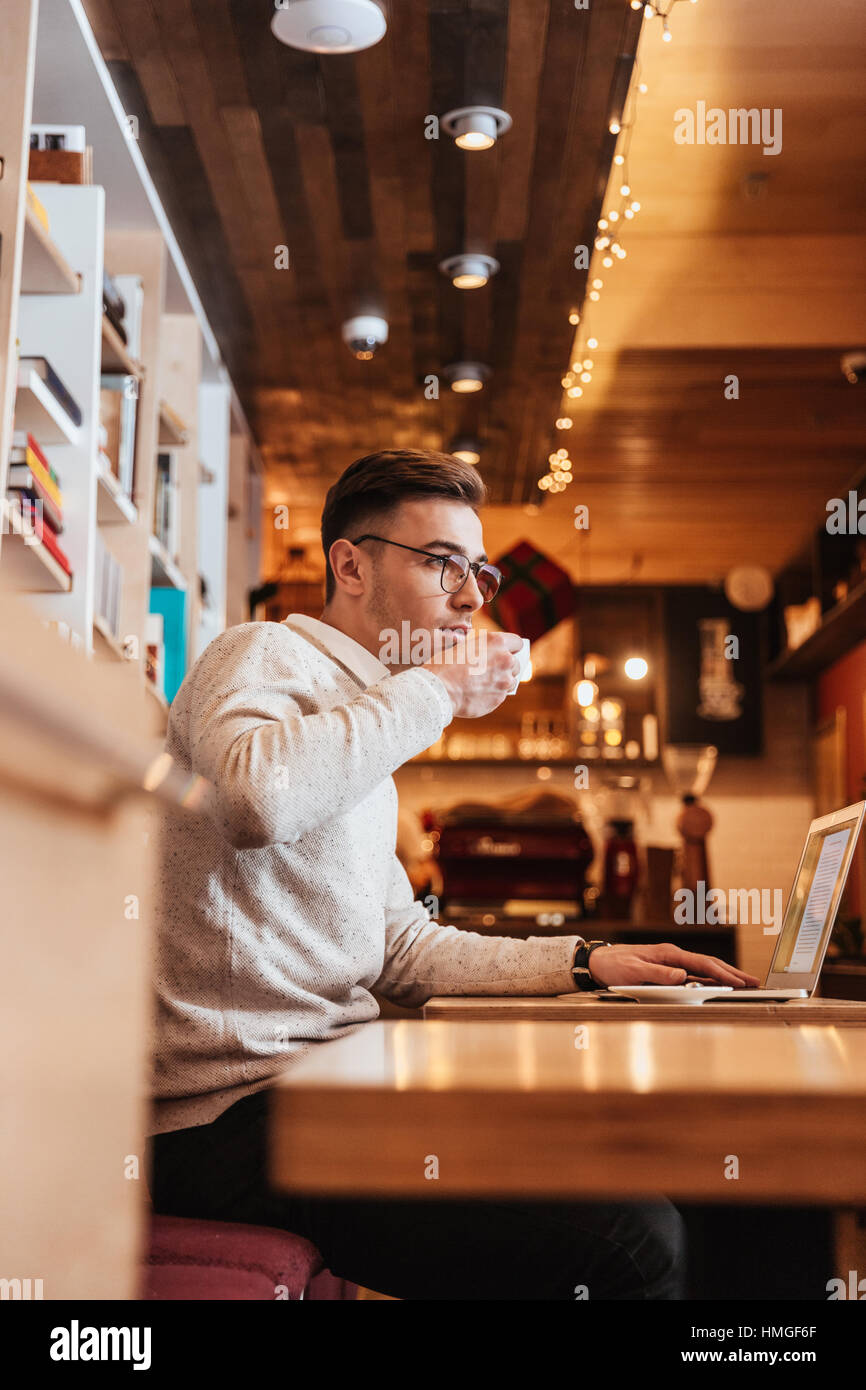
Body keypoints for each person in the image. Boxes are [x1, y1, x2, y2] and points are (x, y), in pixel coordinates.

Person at [146, 448, 758, 1299]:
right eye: (442, 563)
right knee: (631, 1242)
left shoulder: (369, 733)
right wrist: (435, 687)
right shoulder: (255, 655)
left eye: (478, 570)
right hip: (229, 1120)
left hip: (326, 1094)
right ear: (349, 564)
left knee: (679, 1171)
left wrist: (584, 961)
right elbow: (260, 798)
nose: (471, 596)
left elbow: (400, 946)